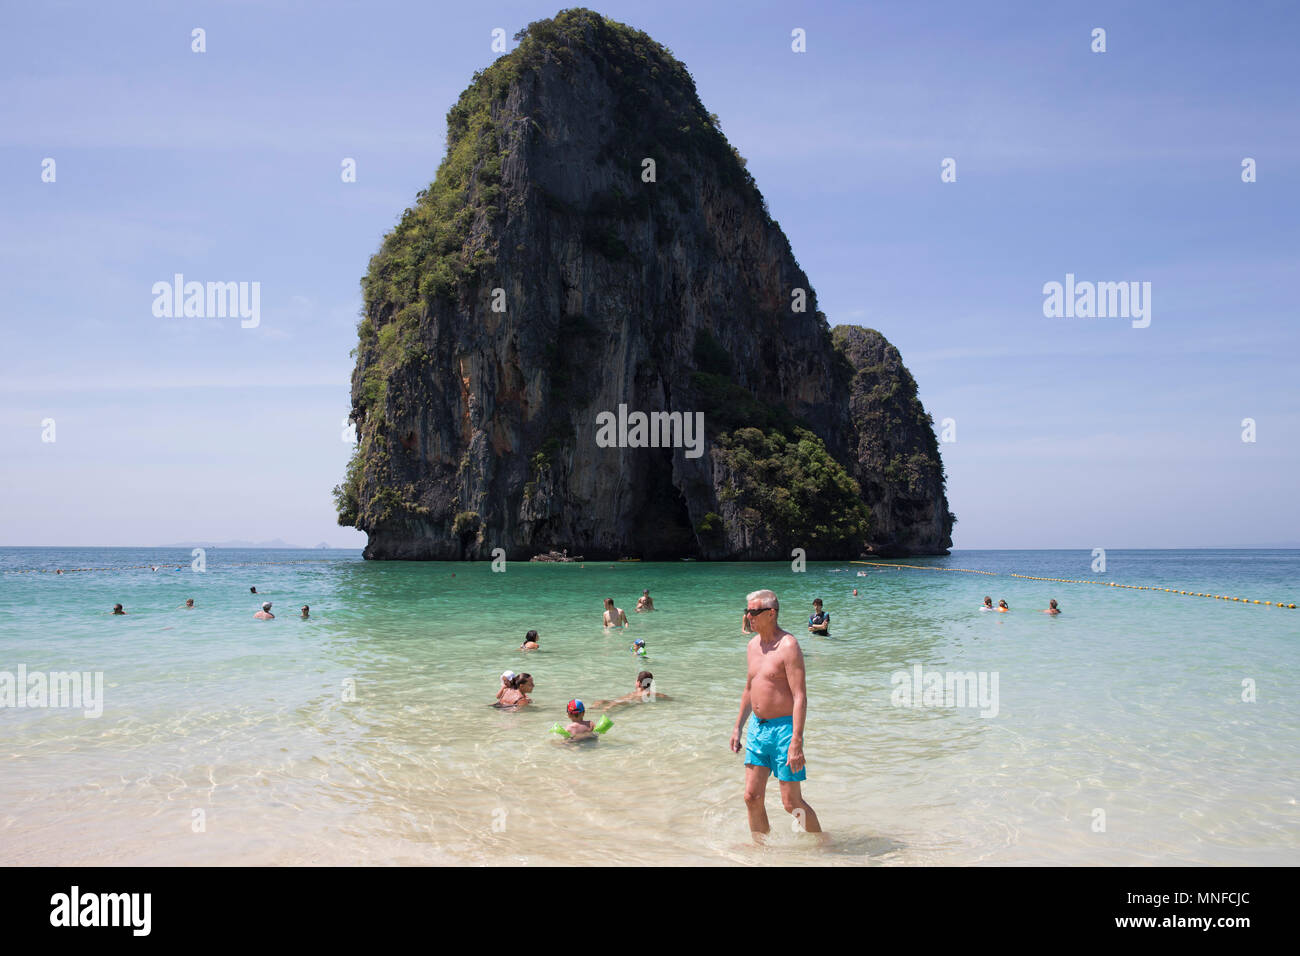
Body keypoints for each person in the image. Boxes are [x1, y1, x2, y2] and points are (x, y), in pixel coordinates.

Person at [730, 589, 821, 842]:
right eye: (746, 611)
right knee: (751, 797)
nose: (748, 616)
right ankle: (761, 851)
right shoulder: (752, 646)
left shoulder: (788, 646)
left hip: (784, 730)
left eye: (754, 612)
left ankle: (822, 844)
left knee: (791, 803)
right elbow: (749, 689)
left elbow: (800, 696)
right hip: (758, 729)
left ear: (771, 613)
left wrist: (797, 740)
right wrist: (738, 726)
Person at [593, 671, 670, 709]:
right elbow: (663, 696)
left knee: (608, 701)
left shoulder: (636, 693)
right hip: (629, 701)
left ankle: (596, 705)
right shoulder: (649, 693)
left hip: (623, 700)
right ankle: (607, 707)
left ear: (638, 683)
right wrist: (670, 699)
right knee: (617, 703)